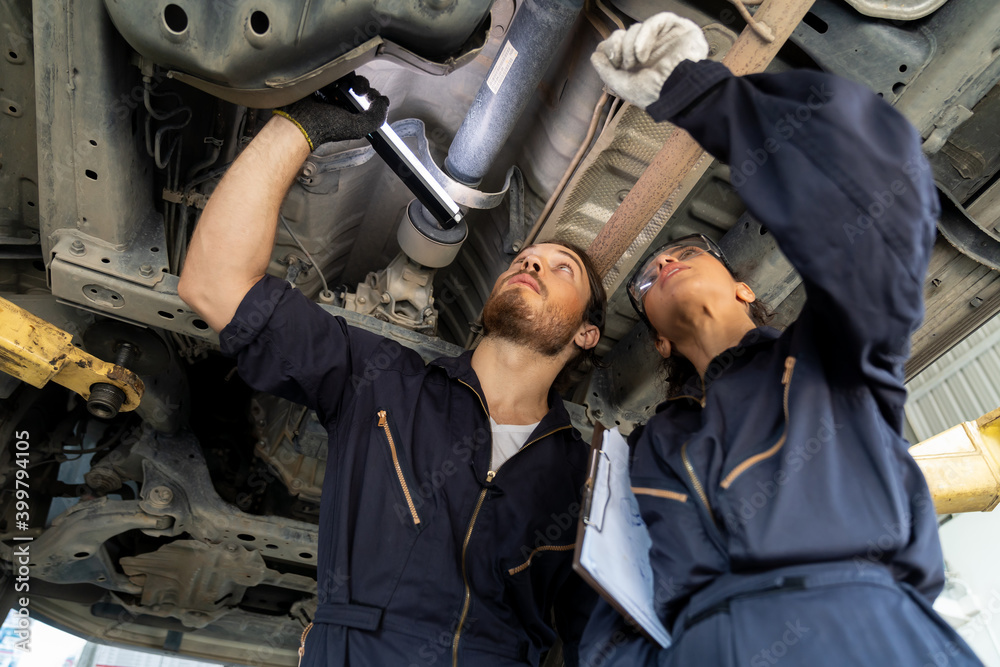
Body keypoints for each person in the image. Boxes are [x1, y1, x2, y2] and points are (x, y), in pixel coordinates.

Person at [580, 12, 983, 667]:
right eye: (646, 279)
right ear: (656, 339)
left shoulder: (833, 350)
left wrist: (705, 98)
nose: (663, 265)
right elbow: (618, 600)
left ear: (744, 288)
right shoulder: (649, 450)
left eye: (685, 251)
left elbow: (876, 204)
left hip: (861, 634)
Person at [178, 75, 603, 666]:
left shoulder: (590, 478)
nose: (532, 259)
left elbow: (602, 638)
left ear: (586, 334)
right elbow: (214, 284)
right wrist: (301, 124)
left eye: (564, 269)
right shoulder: (379, 380)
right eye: (529, 256)